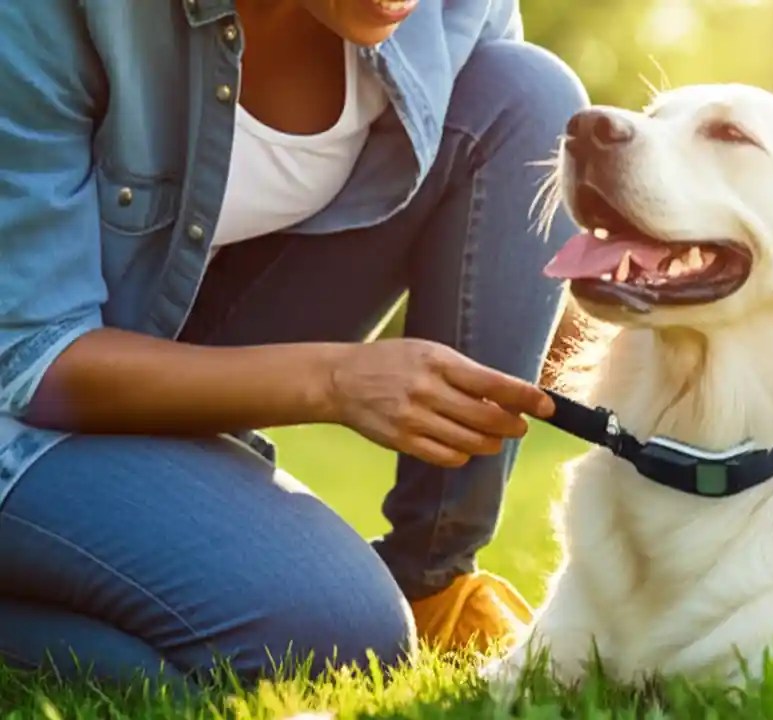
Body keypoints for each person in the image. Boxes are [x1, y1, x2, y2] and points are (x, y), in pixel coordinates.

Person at [0, 0, 586, 683]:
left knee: (527, 95)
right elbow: (32, 357)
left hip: (168, 343)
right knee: (333, 635)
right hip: (27, 395)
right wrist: (333, 379)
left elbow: (499, 165)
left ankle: (434, 585)